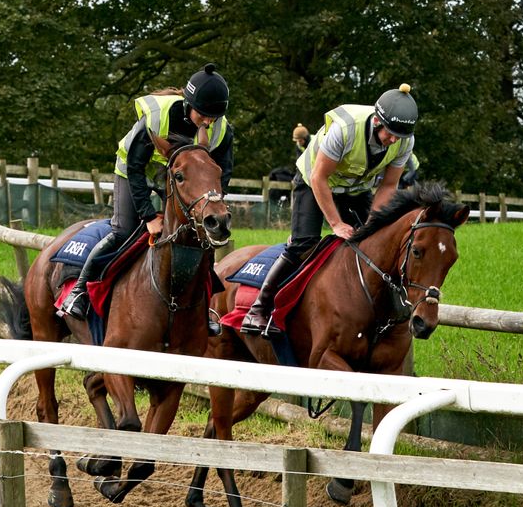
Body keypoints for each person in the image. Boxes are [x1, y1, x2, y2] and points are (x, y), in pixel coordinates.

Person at [57, 64, 235, 317]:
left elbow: (222, 172)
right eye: (203, 115)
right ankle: (80, 291)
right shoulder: (156, 117)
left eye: (213, 117)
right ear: (188, 104)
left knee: (200, 238)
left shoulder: (222, 129)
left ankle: (204, 309)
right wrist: (148, 216)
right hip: (134, 172)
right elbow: (136, 167)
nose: (208, 122)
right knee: (123, 230)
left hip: (181, 179)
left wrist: (211, 204)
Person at [240, 83, 418, 336]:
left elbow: (389, 185)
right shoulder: (345, 130)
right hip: (315, 182)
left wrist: (372, 223)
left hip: (355, 189)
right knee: (304, 243)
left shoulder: (404, 140)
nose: (393, 141)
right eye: (389, 134)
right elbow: (319, 178)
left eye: (398, 137)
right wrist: (336, 224)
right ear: (377, 120)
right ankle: (259, 308)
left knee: (373, 244)